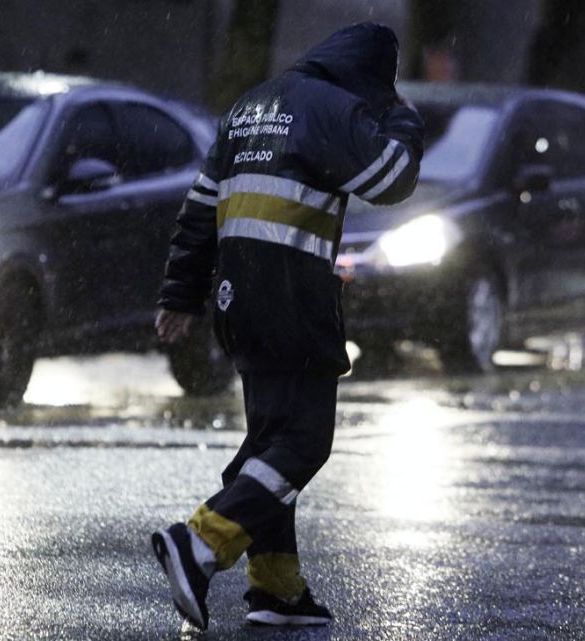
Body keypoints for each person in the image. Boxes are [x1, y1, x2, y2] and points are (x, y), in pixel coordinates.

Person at [150, 22, 424, 630]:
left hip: (237, 297)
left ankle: (277, 589)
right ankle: (201, 542)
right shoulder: (330, 108)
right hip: (293, 295)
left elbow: (199, 209)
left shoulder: (250, 106)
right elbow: (391, 178)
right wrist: (405, 120)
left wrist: (181, 295)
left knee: (269, 444)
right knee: (303, 443)